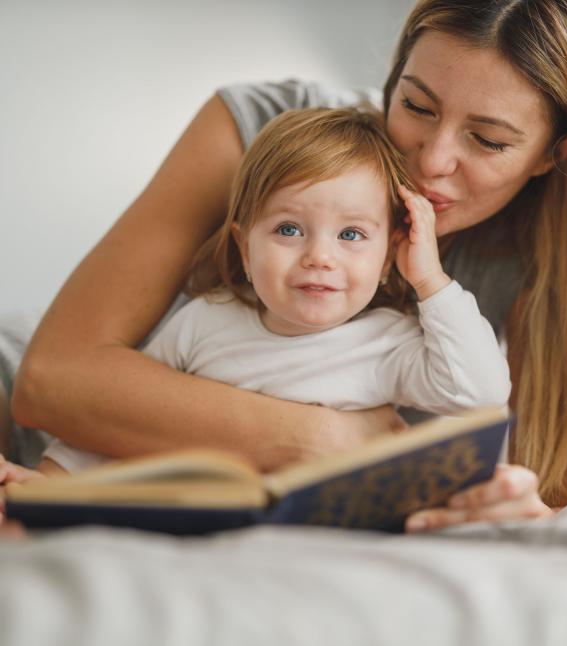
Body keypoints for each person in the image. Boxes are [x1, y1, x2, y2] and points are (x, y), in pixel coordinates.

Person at [7, 0, 567, 530]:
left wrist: (520, 510)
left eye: (487, 140)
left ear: (556, 152)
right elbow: (52, 381)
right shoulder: (265, 129)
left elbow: (546, 482)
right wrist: (328, 445)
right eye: (416, 105)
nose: (430, 162)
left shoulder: (563, 267)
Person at [35, 106, 511, 476]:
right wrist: (46, 484)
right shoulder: (204, 322)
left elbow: (481, 392)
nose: (319, 257)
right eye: (288, 230)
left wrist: (429, 279)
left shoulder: (388, 344)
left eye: (350, 235)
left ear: (388, 257)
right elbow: (115, 418)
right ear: (245, 248)